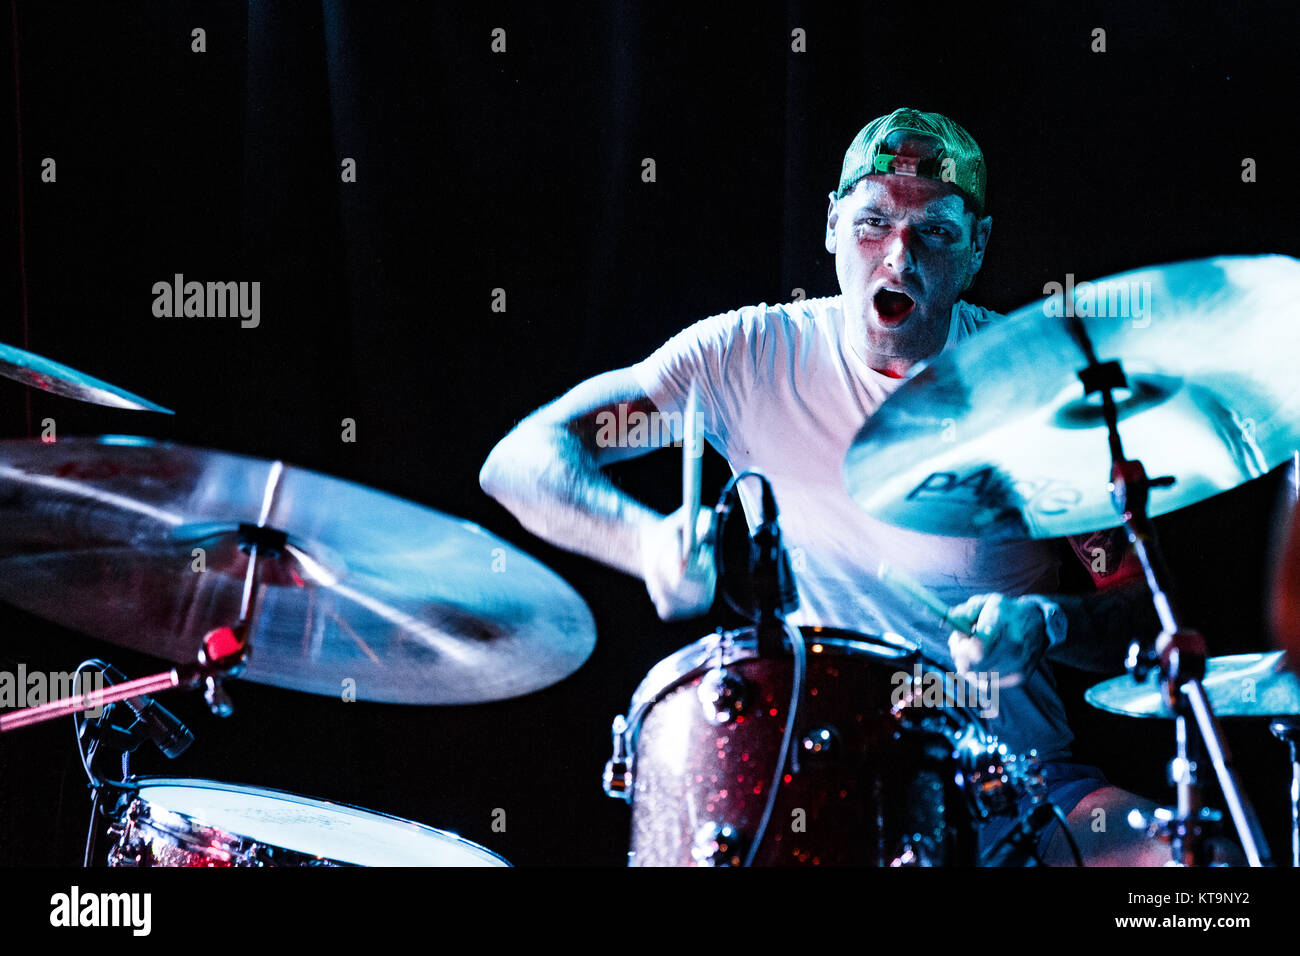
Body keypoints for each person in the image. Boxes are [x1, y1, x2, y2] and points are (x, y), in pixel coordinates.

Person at [480, 107, 1208, 865]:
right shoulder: (746, 357)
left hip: (1020, 792)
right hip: (817, 793)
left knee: (1208, 880)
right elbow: (522, 457)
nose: (898, 258)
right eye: (872, 223)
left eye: (936, 231)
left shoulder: (1038, 386)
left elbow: (1144, 614)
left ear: (977, 248)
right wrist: (644, 542)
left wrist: (1047, 624)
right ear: (830, 226)